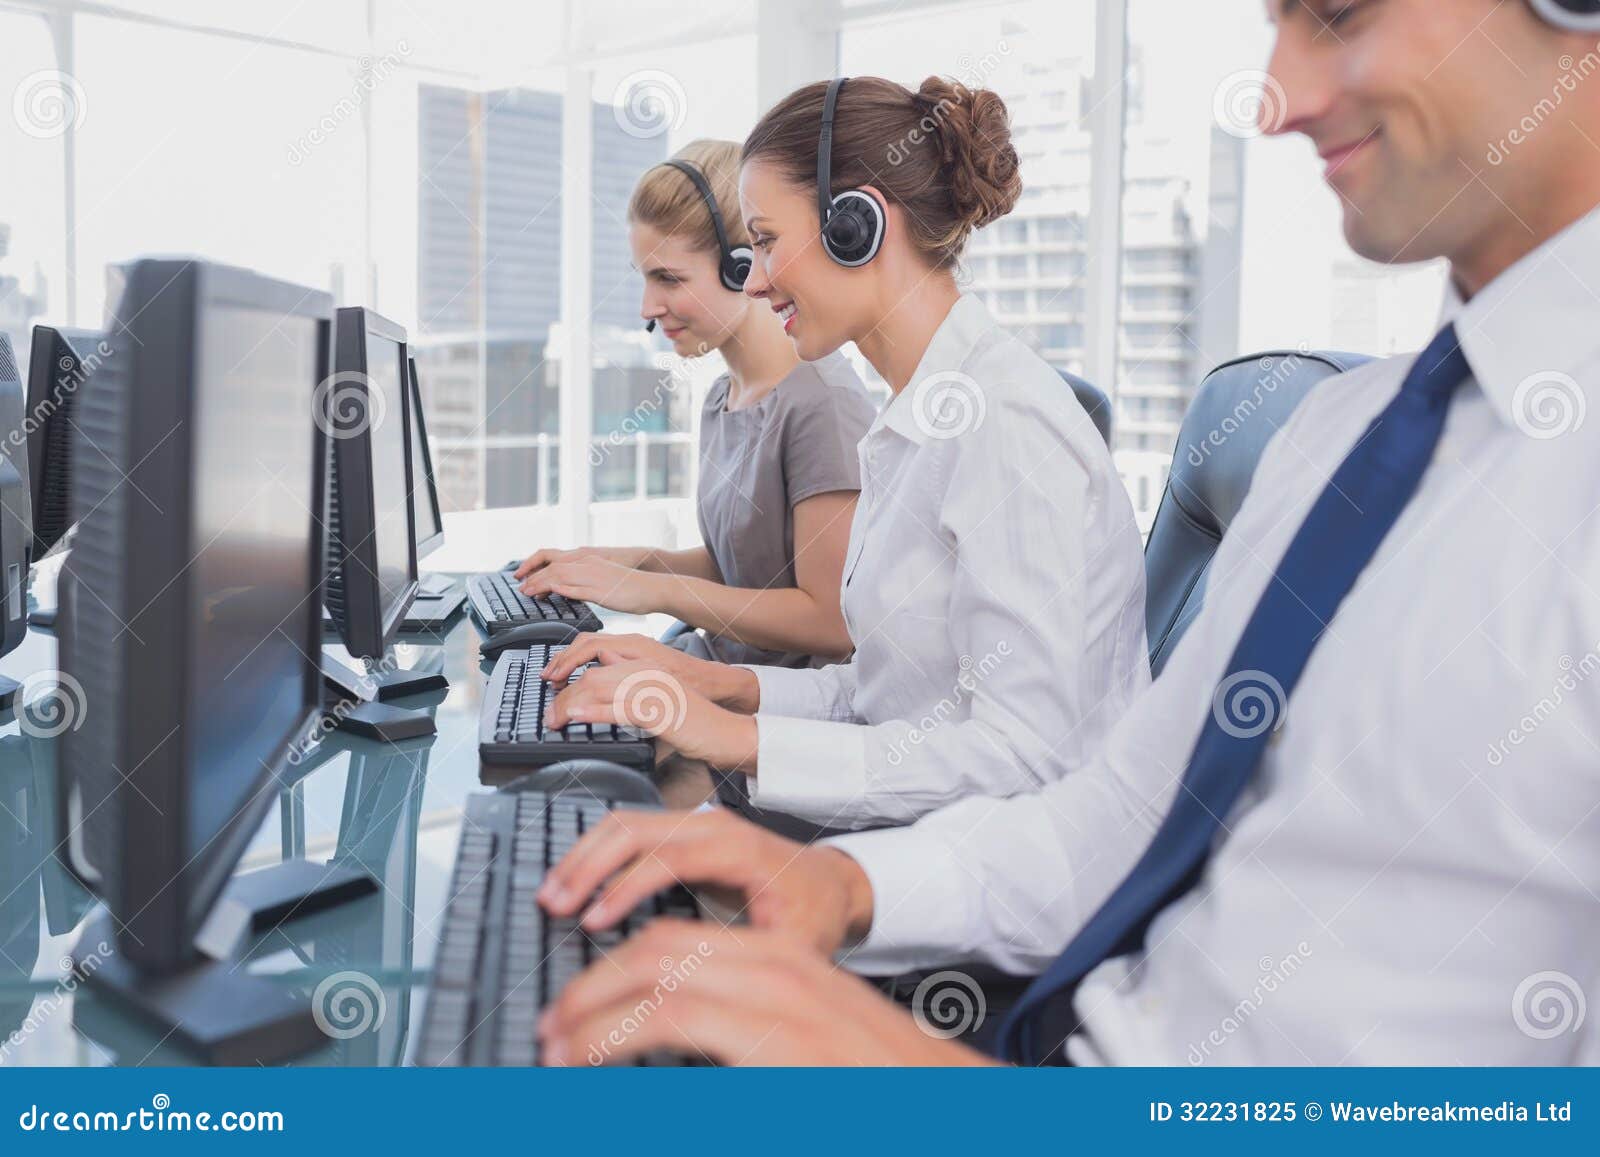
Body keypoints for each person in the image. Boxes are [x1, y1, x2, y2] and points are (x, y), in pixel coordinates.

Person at [535, 0, 1600, 1066]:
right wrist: (839, 878)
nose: (1280, 97)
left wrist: (926, 1073)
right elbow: (1126, 800)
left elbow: (1021, 756)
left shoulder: (1009, 421)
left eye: (1336, 13)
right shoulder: (1343, 433)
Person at [537, 76, 1150, 832]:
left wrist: (735, 736)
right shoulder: (910, 421)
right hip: (916, 841)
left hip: (1002, 886)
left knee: (599, 888)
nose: (754, 280)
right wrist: (707, 683)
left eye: (763, 242)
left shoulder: (1006, 423)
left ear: (857, 222)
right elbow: (875, 695)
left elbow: (1027, 759)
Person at [516, 139, 876, 669]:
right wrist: (629, 565)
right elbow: (744, 569)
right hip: (710, 664)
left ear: (741, 265)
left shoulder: (823, 403)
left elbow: (831, 621)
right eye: (644, 277)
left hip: (774, 711)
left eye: (669, 278)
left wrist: (655, 593)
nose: (647, 308)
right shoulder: (720, 399)